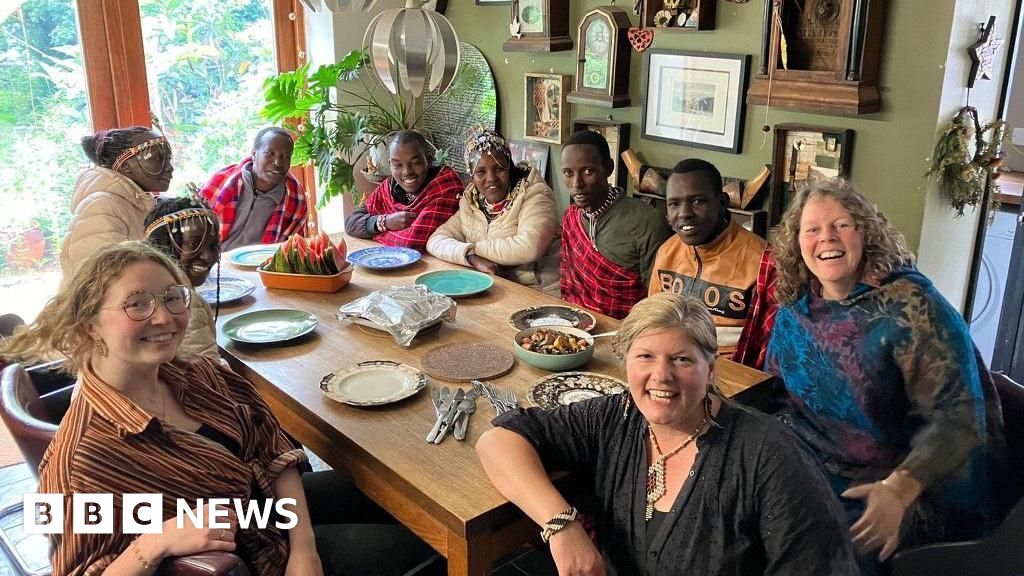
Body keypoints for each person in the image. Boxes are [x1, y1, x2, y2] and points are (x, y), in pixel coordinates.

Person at [0, 242, 438, 576]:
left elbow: (269, 445)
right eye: (137, 303)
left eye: (173, 297)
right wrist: (154, 542)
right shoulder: (84, 456)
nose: (164, 317)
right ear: (89, 325)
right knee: (431, 552)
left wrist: (305, 548)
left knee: (412, 504)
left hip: (267, 513)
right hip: (254, 558)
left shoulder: (194, 375)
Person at [476, 291, 858, 576]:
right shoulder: (617, 416)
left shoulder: (769, 456)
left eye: (681, 359)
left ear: (711, 370)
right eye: (645, 356)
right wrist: (561, 525)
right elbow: (499, 440)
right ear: (625, 362)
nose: (661, 376)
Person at [765, 179, 1007, 575]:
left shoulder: (912, 309)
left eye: (841, 225)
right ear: (797, 242)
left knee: (822, 553)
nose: (827, 237)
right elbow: (777, 396)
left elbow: (960, 418)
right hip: (811, 464)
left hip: (902, 482)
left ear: (865, 232)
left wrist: (898, 490)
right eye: (812, 229)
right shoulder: (797, 307)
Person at [648, 159, 777, 368]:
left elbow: (768, 349)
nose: (684, 213)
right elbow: (653, 321)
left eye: (698, 201)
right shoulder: (667, 251)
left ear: (722, 203)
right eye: (674, 204)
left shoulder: (763, 261)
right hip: (669, 366)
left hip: (730, 376)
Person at [426, 129, 560, 296]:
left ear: (509, 166)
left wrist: (476, 249)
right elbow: (435, 241)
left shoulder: (535, 195)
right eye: (481, 172)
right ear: (471, 176)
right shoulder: (472, 201)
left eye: (499, 169)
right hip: (495, 291)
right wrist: (470, 257)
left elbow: (530, 247)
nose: (491, 178)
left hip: (538, 294)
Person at [559, 130, 671, 319]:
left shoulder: (647, 222)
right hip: (574, 322)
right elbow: (569, 287)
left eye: (588, 172)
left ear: (609, 169)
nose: (577, 184)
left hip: (626, 329)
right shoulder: (571, 218)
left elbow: (658, 298)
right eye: (568, 173)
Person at [60, 127, 174, 278]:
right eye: (158, 159)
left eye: (169, 159)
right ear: (126, 166)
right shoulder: (103, 206)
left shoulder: (134, 202)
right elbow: (103, 281)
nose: (170, 168)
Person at [344, 130, 462, 251]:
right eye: (397, 165)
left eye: (415, 163)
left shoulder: (446, 187)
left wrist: (374, 231)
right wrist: (385, 222)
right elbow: (351, 224)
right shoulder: (389, 187)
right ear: (390, 165)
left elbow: (411, 243)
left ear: (429, 160)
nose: (407, 172)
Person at [200, 127, 308, 252]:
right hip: (214, 261)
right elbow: (194, 229)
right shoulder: (222, 181)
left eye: (285, 156)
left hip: (260, 266)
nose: (277, 162)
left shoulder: (296, 199)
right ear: (254, 154)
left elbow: (292, 249)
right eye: (270, 154)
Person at [144, 197, 221, 360]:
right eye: (194, 245)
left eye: (213, 246)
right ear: (163, 246)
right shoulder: (184, 302)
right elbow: (208, 373)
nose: (207, 256)